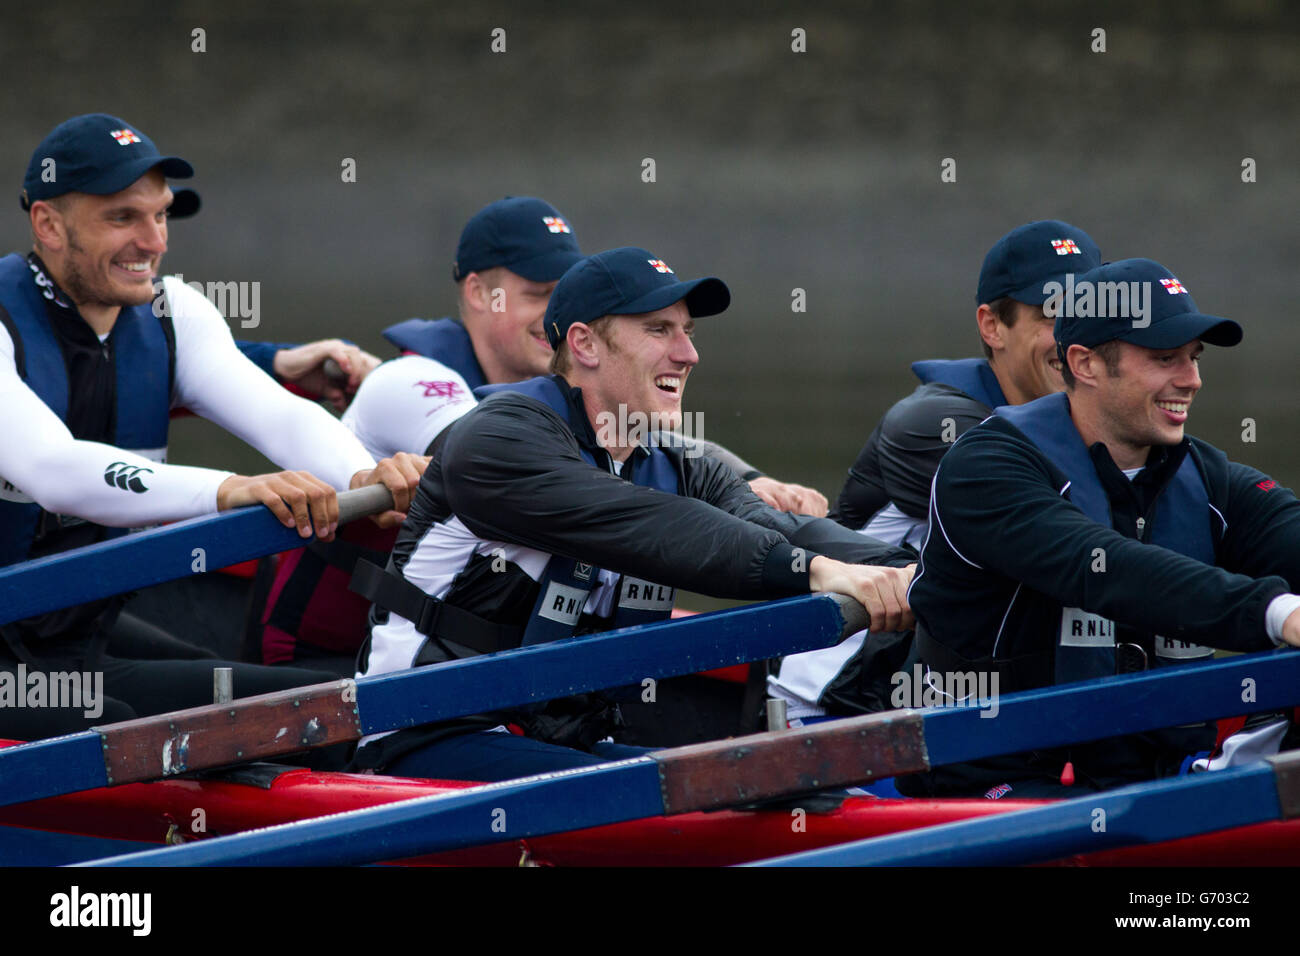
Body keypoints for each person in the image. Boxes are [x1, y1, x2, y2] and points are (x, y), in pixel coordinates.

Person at [346, 247, 917, 782]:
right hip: (423, 733)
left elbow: (783, 529)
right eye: (658, 330)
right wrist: (818, 573)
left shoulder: (675, 460)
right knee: (720, 799)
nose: (688, 354)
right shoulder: (500, 440)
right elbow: (657, 529)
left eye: (688, 333)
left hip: (557, 735)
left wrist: (920, 572)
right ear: (587, 345)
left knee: (762, 788)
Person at [260, 197, 827, 672]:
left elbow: (650, 446)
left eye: (567, 292)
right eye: (538, 293)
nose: (557, 310)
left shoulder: (575, 402)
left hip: (478, 657)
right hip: (325, 658)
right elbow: (544, 467)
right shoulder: (418, 382)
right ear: (481, 294)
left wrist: (744, 481)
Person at [0, 113, 422, 740]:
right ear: (49, 225)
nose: (154, 241)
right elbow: (51, 471)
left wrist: (362, 473)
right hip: (17, 653)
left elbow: (279, 413)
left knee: (321, 707)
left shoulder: (175, 312)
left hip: (69, 632)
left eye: (162, 215)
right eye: (123, 218)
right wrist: (229, 490)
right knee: (123, 730)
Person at [902, 257, 1300, 798]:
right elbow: (1109, 570)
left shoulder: (1208, 477)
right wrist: (1279, 612)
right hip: (995, 785)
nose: (1192, 380)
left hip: (1150, 777)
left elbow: (1288, 532)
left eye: (1194, 358)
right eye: (1165, 358)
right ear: (1085, 364)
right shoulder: (987, 469)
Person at [769, 220, 1102, 721]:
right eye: (1052, 315)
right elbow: (1091, 532)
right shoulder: (933, 426)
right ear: (992, 326)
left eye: (1090, 315)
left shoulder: (1080, 424)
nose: (1074, 338)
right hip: (833, 707)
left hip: (954, 702)